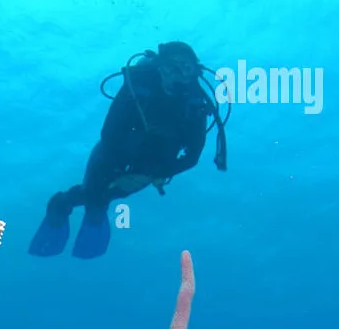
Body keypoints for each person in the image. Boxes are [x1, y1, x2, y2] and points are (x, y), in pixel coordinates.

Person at [29, 41, 229, 260]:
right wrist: (126, 173)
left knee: (99, 205)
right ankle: (60, 205)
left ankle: (69, 207)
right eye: (170, 67)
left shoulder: (195, 104)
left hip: (151, 168)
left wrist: (157, 173)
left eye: (186, 68)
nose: (177, 76)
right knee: (96, 201)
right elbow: (109, 134)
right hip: (110, 158)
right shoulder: (139, 87)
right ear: (159, 67)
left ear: (195, 72)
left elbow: (192, 157)